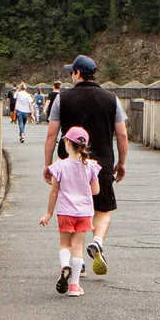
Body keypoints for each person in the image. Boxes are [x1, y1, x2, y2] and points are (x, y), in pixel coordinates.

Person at [43, 54, 125, 275]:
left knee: (74, 211)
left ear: (78, 74)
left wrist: (48, 164)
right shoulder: (111, 99)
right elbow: (122, 135)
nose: (71, 76)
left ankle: (75, 261)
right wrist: (121, 163)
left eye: (72, 72)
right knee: (103, 210)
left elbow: (52, 134)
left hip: (69, 165)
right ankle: (97, 241)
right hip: (102, 164)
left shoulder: (62, 99)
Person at [40, 126, 101, 295]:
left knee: (65, 244)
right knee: (78, 247)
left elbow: (53, 192)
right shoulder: (91, 166)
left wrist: (49, 213)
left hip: (65, 211)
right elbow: (96, 191)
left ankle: (64, 265)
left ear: (67, 143)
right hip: (84, 212)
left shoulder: (59, 166)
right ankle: (74, 285)